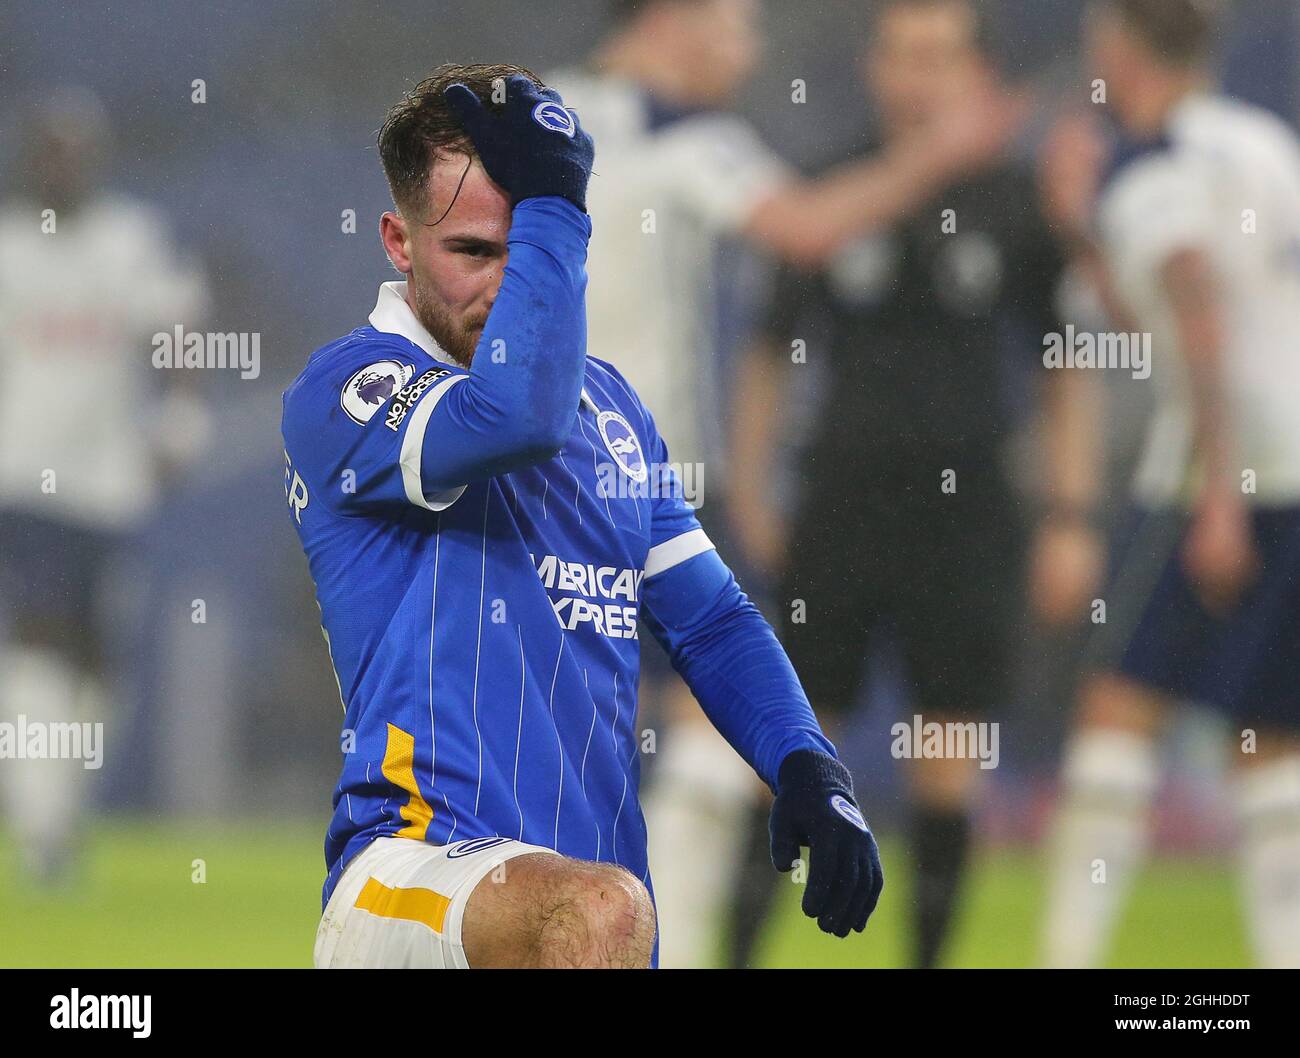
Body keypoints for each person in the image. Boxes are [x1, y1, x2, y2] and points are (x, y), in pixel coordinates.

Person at [281, 63, 883, 969]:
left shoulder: (612, 411)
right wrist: (556, 205)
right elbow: (512, 417)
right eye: (477, 253)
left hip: (585, 914)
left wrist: (807, 764)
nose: (510, 287)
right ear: (399, 243)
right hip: (411, 877)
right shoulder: (350, 389)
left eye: (534, 255)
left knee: (601, 912)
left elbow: (712, 622)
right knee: (597, 911)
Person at [547, 0, 1022, 966]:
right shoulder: (693, 137)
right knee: (730, 719)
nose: (749, 49)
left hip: (532, 468)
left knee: (584, 729)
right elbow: (805, 229)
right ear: (674, 20)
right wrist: (945, 150)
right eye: (734, 24)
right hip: (645, 470)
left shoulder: (525, 113)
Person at [727, 0, 1100, 968]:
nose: (915, 74)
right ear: (872, 66)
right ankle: (733, 954)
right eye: (899, 52)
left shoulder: (1019, 201)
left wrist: (1069, 513)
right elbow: (765, 352)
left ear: (975, 70)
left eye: (938, 54)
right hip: (838, 503)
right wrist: (755, 488)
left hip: (968, 513)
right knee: (787, 748)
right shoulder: (826, 188)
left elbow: (1065, 362)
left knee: (949, 758)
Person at [1040, 0, 1300, 969]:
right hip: (1294, 465)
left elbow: (1193, 311)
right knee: (1271, 741)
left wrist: (1220, 494)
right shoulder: (1263, 141)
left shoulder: (1147, 165)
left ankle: (1066, 959)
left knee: (1114, 721)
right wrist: (1081, 228)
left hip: (1211, 471)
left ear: (1115, 49)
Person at [0, 88, 209, 882]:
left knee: (100, 661)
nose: (60, 165)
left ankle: (58, 812)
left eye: (73, 150)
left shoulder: (131, 240)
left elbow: (177, 330)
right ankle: (39, 831)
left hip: (111, 485)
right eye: (47, 151)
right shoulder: (9, 249)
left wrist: (180, 418)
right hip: (24, 478)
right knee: (40, 634)